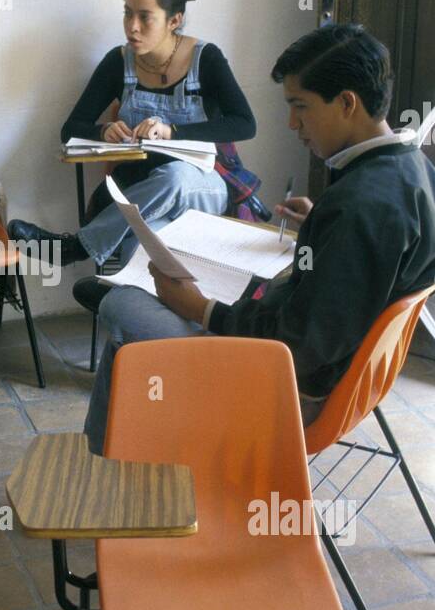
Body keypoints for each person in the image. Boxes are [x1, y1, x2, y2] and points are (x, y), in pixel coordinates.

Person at [84, 23, 435, 452]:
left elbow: (299, 344)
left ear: (347, 103)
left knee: (122, 307)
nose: (291, 123)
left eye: (300, 106)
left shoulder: (362, 206)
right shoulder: (411, 168)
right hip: (340, 375)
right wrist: (320, 226)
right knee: (151, 307)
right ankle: (116, 465)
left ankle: (104, 468)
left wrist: (205, 309)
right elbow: (374, 260)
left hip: (287, 390)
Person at [8, 0, 256, 271]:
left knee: (175, 176)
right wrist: (103, 130)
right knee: (139, 250)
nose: (132, 27)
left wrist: (171, 131)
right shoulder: (118, 62)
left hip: (201, 186)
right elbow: (70, 130)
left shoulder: (206, 59)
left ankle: (75, 247)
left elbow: (244, 123)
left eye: (145, 17)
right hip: (142, 195)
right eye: (127, 14)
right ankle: (121, 300)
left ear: (174, 20)